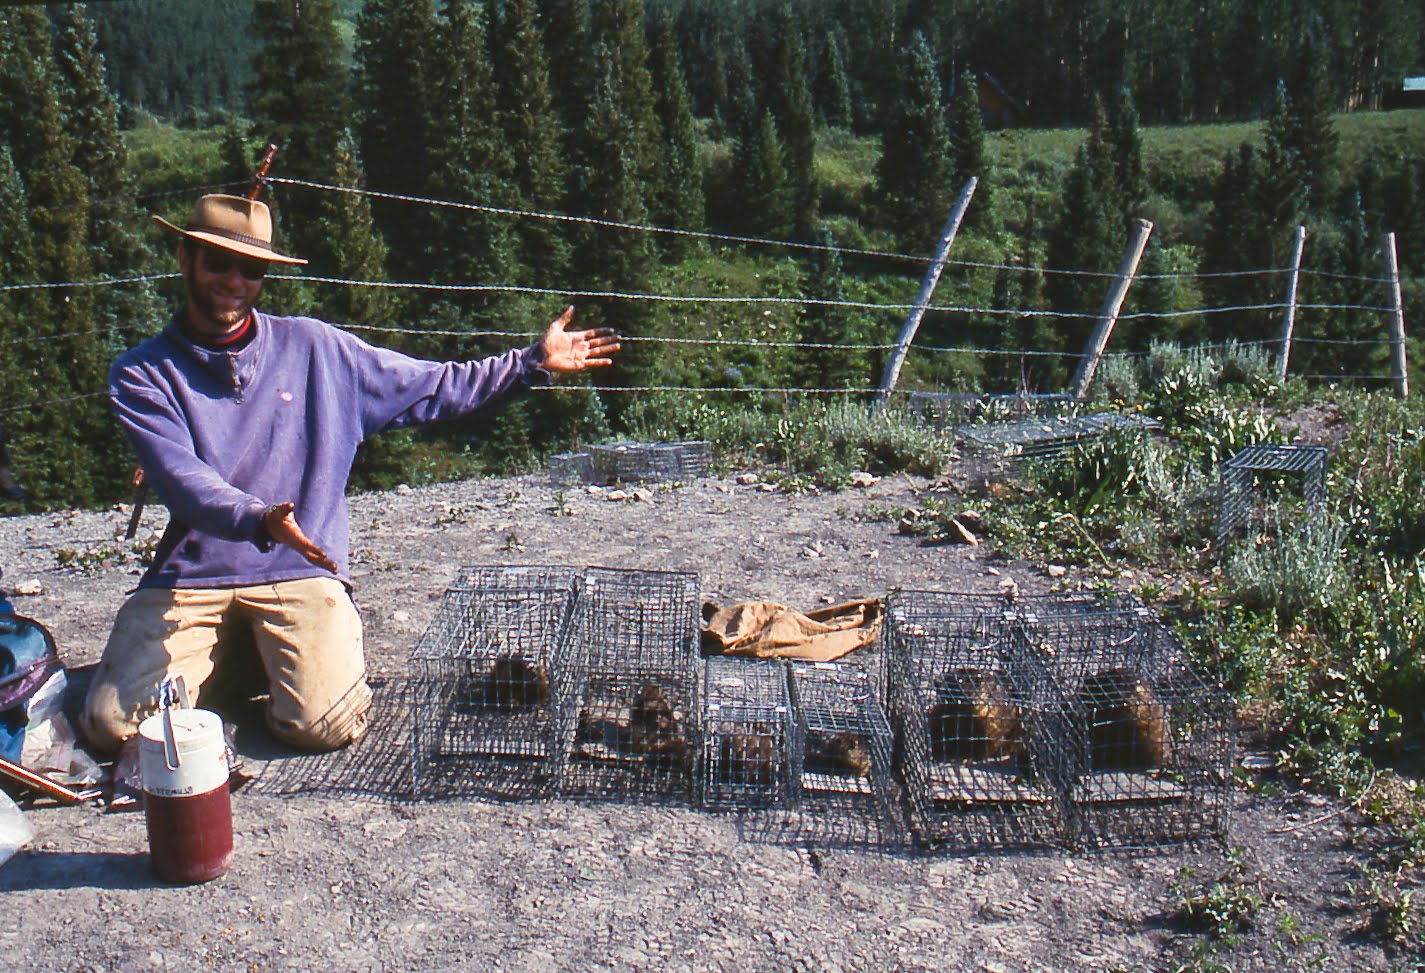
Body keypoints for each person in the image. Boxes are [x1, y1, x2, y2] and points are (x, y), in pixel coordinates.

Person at [80, 193, 619, 754]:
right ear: (186, 258)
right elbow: (180, 477)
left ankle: (250, 664)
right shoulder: (141, 373)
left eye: (252, 269)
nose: (234, 281)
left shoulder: (318, 349)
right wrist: (259, 518)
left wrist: (529, 363)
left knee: (323, 727)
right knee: (115, 730)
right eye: (218, 264)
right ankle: (242, 659)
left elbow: (433, 385)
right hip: (191, 578)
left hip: (300, 566)